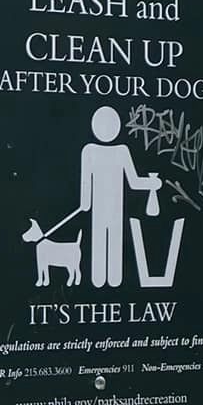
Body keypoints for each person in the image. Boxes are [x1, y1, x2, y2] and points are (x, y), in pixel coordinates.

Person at [79, 106, 160, 288]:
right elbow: (86, 183)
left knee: (113, 244)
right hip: (101, 209)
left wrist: (151, 184)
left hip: (115, 208)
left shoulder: (120, 151)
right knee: (101, 243)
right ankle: (101, 281)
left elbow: (133, 181)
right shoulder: (90, 151)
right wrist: (85, 202)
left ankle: (109, 281)